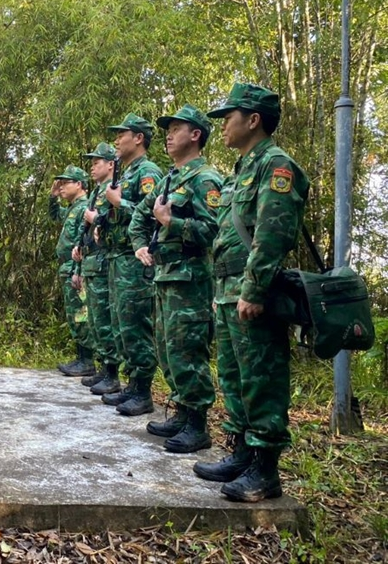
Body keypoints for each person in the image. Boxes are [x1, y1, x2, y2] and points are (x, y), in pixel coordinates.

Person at [193, 83, 309, 502]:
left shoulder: (275, 166)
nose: (223, 124)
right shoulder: (242, 169)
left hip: (251, 291)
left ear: (253, 119)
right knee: (235, 376)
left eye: (230, 116)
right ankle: (242, 452)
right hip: (227, 290)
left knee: (261, 378)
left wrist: (254, 289)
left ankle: (265, 469)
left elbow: (272, 235)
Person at [129, 105, 223, 452]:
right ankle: (183, 414)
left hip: (191, 279)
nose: (168, 135)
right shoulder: (169, 180)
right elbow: (139, 216)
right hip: (164, 277)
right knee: (168, 351)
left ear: (195, 135)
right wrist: (140, 245)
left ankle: (197, 425)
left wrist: (173, 224)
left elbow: (215, 231)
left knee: (188, 351)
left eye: (176, 129)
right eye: (167, 130)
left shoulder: (206, 180)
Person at [101, 114, 163, 416]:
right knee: (122, 326)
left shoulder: (148, 171)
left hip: (135, 260)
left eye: (121, 134)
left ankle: (143, 390)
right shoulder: (126, 173)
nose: (116, 140)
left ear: (138, 137)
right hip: (118, 259)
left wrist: (118, 204)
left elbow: (153, 215)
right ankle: (132, 386)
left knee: (135, 325)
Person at [72, 143, 123, 393]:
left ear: (110, 165)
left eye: (97, 162)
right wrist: (80, 246)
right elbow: (89, 227)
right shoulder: (97, 192)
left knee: (105, 320)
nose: (92, 167)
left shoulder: (113, 189)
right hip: (92, 261)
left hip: (106, 263)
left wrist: (96, 220)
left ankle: (112, 374)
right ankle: (105, 369)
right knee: (97, 320)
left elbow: (106, 223)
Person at [49, 165, 93, 377]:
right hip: (68, 266)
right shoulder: (74, 207)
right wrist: (53, 196)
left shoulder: (85, 207)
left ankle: (87, 361)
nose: (62, 186)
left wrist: (78, 269)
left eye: (66, 183)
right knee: (74, 313)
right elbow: (55, 215)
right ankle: (81, 358)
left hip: (76, 267)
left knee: (80, 313)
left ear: (80, 184)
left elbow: (82, 241)